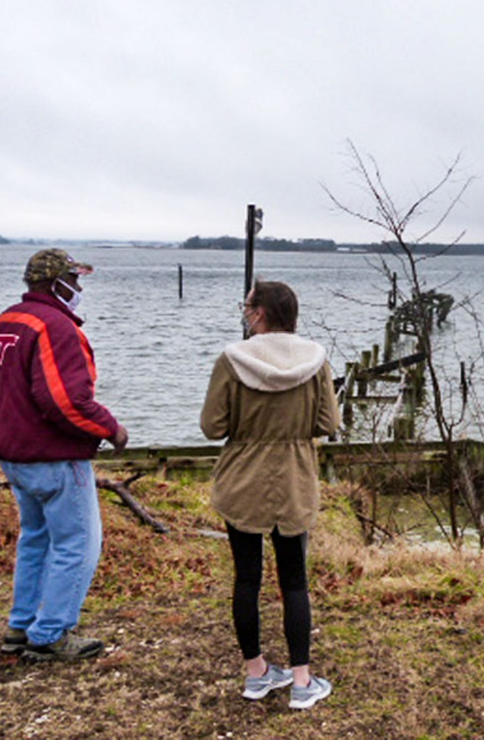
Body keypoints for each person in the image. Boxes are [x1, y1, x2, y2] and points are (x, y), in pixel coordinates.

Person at [0, 248, 128, 662]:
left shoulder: (4, 322)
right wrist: (111, 429)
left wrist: (8, 420)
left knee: (35, 541)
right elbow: (65, 400)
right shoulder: (56, 327)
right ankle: (50, 634)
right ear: (57, 283)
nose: (80, 288)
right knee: (78, 545)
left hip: (13, 457)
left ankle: (21, 627)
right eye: (75, 280)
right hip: (55, 458)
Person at [200, 280, 340, 710]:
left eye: (247, 306)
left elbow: (213, 427)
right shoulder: (315, 361)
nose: (244, 312)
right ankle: (301, 681)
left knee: (246, 578)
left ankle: (257, 672)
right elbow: (328, 423)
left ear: (259, 313)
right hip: (294, 478)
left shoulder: (232, 359)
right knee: (294, 581)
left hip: (243, 478)